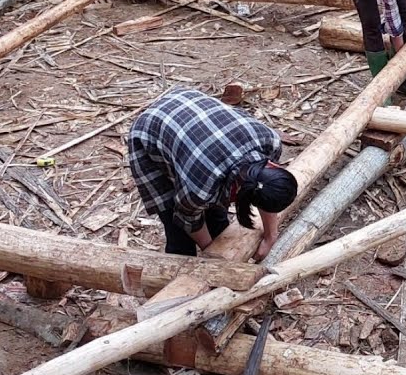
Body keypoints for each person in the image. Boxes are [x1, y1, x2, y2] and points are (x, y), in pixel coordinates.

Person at [127, 89, 297, 261]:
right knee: (177, 230)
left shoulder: (269, 144)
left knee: (217, 217)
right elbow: (188, 218)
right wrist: (213, 256)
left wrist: (270, 236)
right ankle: (177, 268)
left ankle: (219, 235)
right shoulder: (200, 189)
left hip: (193, 116)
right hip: (150, 130)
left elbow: (263, 190)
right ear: (273, 166)